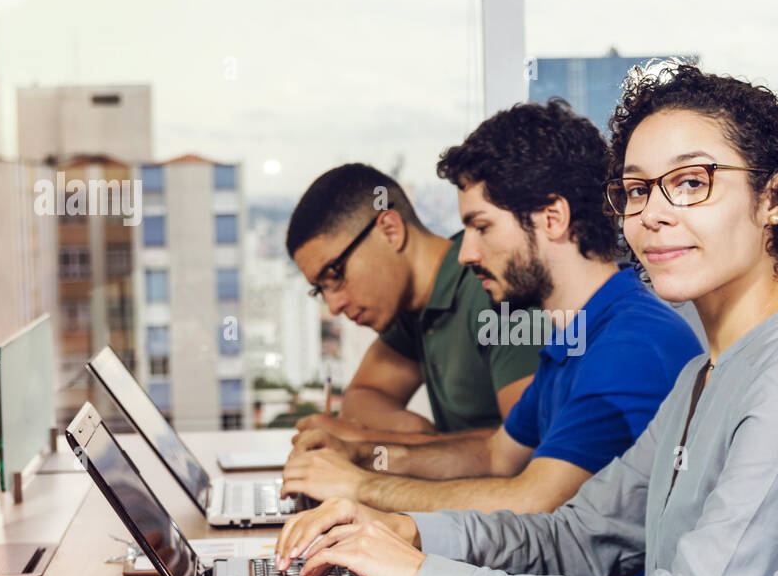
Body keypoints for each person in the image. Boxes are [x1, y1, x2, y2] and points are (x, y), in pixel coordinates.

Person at [274, 64, 778, 576]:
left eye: (691, 182)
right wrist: (412, 535)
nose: (653, 214)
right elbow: (573, 538)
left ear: (773, 197)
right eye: (636, 191)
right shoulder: (705, 375)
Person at [281, 100, 702, 514]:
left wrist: (363, 487)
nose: (465, 254)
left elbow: (532, 501)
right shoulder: (574, 338)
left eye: (481, 227)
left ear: (552, 218)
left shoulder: (630, 347)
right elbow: (494, 455)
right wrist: (361, 456)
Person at [285, 164, 539, 442]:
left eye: (335, 274)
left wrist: (378, 443)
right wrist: (412, 431)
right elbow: (363, 395)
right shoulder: (412, 305)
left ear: (390, 231)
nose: (333, 306)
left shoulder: (494, 289)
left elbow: (528, 448)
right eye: (320, 289)